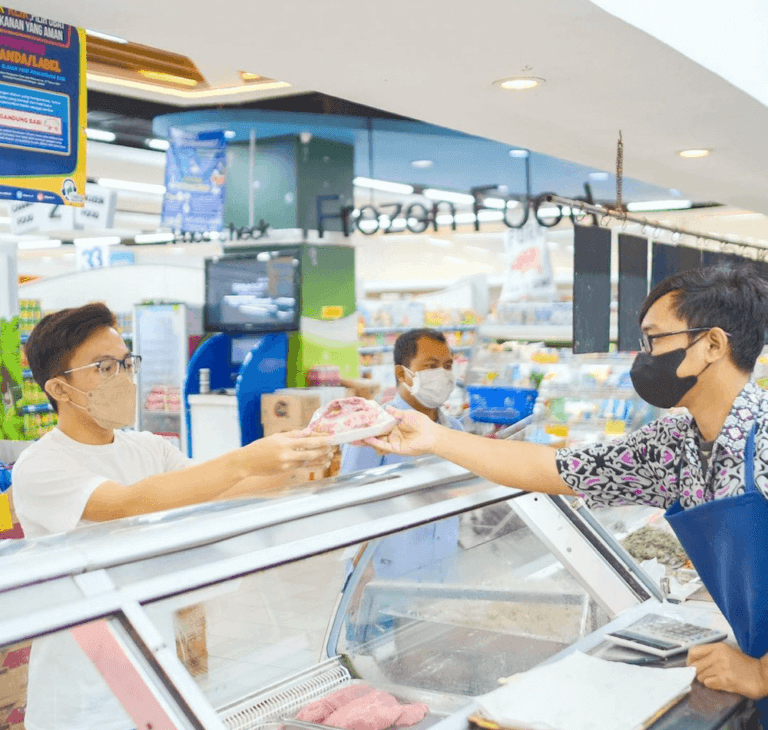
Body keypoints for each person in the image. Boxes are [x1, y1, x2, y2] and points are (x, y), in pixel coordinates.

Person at [368, 265, 768, 725]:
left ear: (713, 345)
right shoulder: (677, 443)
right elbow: (552, 469)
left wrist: (761, 672)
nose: (646, 356)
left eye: (655, 340)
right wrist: (434, 438)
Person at [11, 301, 333, 730]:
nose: (123, 378)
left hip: (153, 657)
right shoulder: (42, 465)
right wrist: (245, 460)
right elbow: (130, 503)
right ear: (59, 389)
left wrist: (300, 467)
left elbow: (220, 492)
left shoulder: (148, 447)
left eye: (126, 363)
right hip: (84, 678)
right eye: (105, 368)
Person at [341, 328, 464, 582]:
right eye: (431, 366)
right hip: (390, 572)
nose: (442, 375)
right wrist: (360, 573)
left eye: (448, 366)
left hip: (442, 569)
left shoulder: (455, 429)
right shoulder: (374, 428)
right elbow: (352, 506)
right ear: (402, 373)